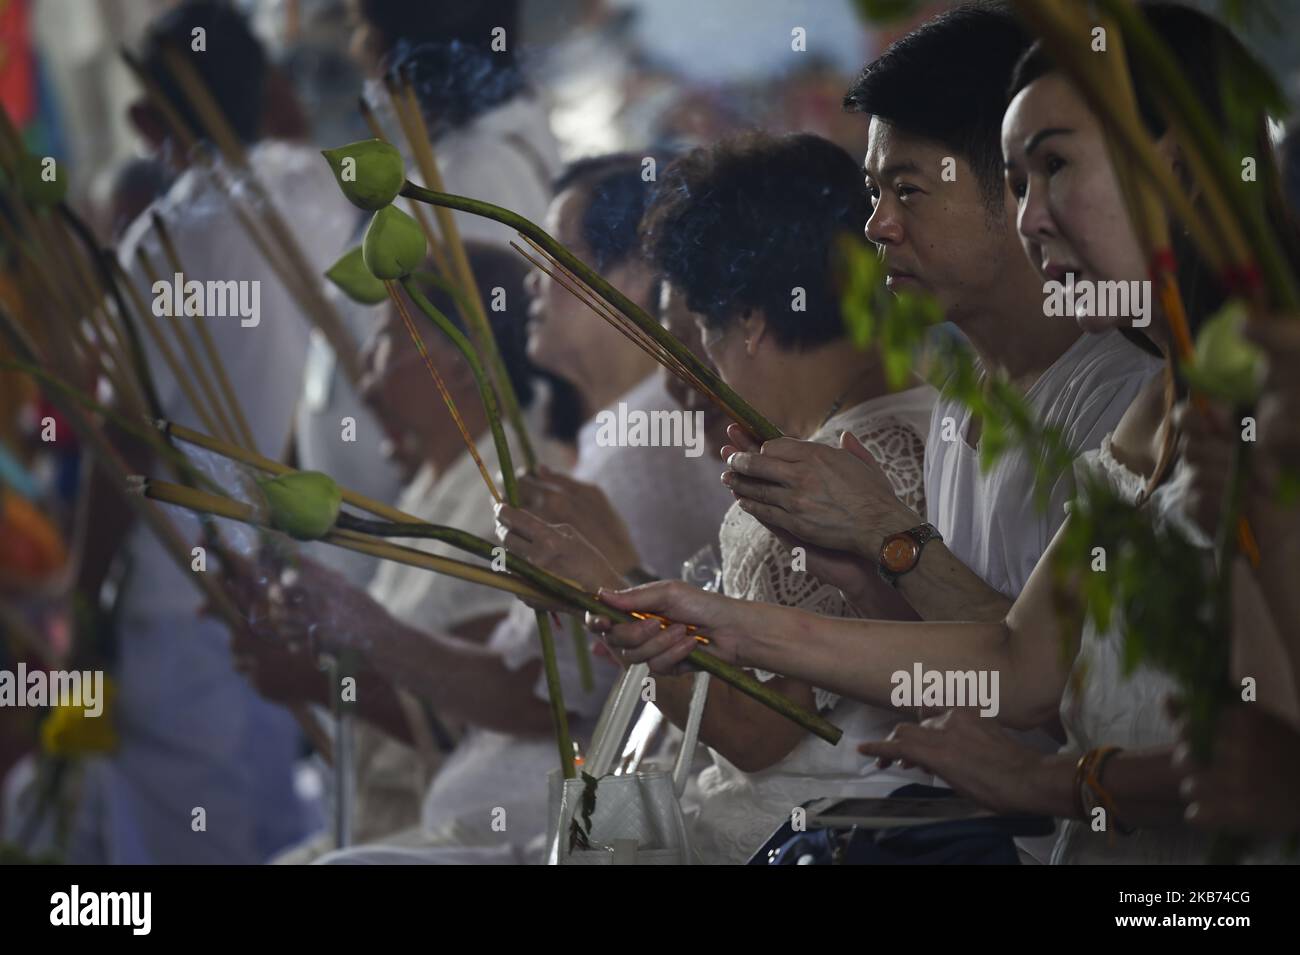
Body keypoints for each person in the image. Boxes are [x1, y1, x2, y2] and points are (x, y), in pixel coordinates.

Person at [595, 2, 1300, 864]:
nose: (1031, 215)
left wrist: (1068, 782)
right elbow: (1018, 660)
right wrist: (717, 621)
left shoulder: (1244, 390)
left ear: (1183, 165)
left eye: (1054, 168)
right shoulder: (1167, 400)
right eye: (1015, 179)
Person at [504, 132, 933, 863]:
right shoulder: (907, 426)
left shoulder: (840, 466)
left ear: (750, 321)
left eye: (701, 332)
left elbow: (758, 733)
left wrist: (607, 594)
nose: (690, 374)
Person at [63, 0, 359, 864]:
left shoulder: (160, 240)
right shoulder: (318, 192)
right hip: (290, 580)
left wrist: (84, 605)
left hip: (180, 588)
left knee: (184, 842)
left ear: (143, 120)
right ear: (271, 89)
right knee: (286, 829)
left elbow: (123, 444)